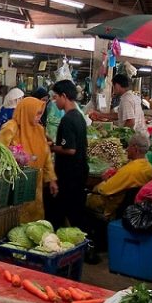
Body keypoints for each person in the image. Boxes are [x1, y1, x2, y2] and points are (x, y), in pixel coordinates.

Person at [0, 97, 58, 223]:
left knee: (34, 220)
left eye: (40, 114)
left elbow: (46, 156)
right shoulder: (11, 128)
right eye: (37, 114)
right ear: (27, 111)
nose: (39, 118)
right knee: (15, 218)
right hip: (15, 183)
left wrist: (52, 179)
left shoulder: (39, 130)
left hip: (35, 184)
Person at [49, 80, 88, 228]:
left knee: (67, 212)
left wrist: (52, 148)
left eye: (55, 97)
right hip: (79, 172)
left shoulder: (67, 119)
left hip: (69, 175)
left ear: (63, 96)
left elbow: (70, 149)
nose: (54, 101)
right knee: (76, 211)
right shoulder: (79, 116)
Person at [87, 133, 152, 219]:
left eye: (129, 146)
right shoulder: (148, 167)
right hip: (133, 206)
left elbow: (105, 190)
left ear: (135, 149)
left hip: (112, 208)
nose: (126, 149)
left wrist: (104, 180)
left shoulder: (130, 170)